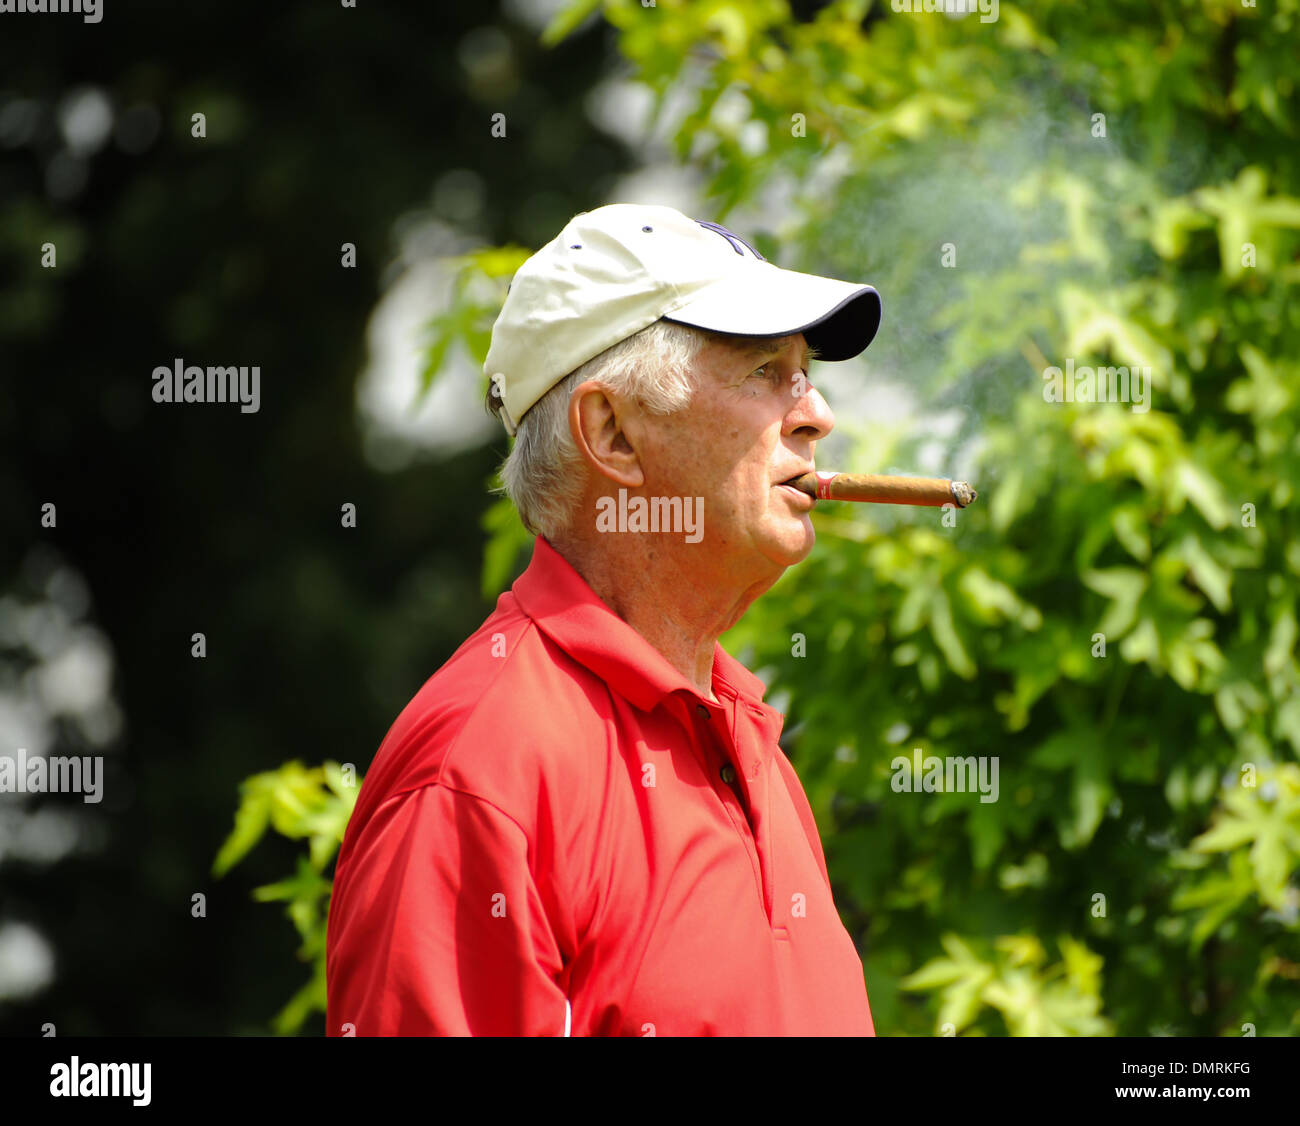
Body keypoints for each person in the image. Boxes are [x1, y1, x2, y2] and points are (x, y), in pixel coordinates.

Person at [325, 203, 883, 1035]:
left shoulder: (747, 738)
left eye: (804, 372)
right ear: (612, 433)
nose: (816, 414)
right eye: (764, 370)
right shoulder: (478, 773)